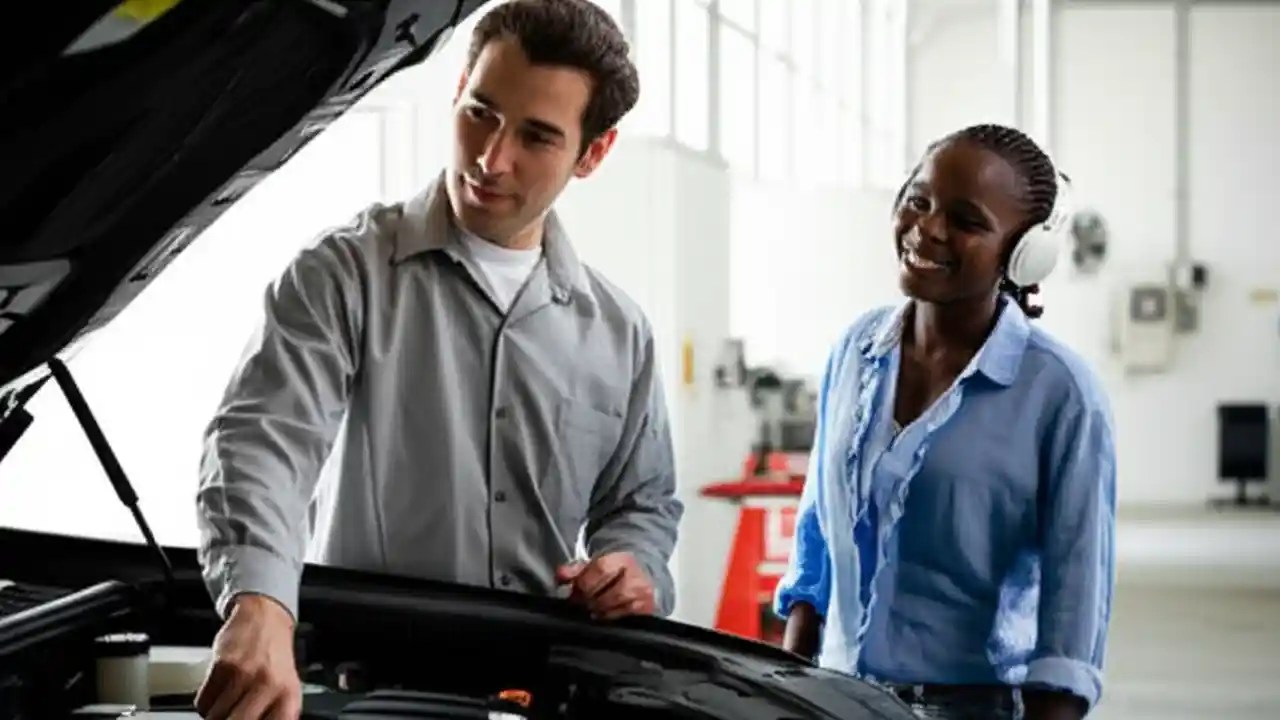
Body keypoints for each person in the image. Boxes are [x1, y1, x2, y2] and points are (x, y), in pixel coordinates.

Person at [191, 1, 683, 717]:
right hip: (365, 688)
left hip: (541, 692)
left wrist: (635, 569)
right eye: (481, 112)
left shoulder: (621, 332)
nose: (491, 157)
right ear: (457, 89)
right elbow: (263, 442)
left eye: (537, 136)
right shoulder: (342, 275)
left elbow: (641, 503)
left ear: (593, 153)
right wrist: (259, 602)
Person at [775, 124, 1116, 720]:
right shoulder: (855, 350)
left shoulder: (1059, 392)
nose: (928, 228)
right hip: (833, 702)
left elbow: (1074, 615)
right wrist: (787, 691)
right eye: (918, 200)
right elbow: (816, 545)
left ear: (1024, 252)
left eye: (966, 219)